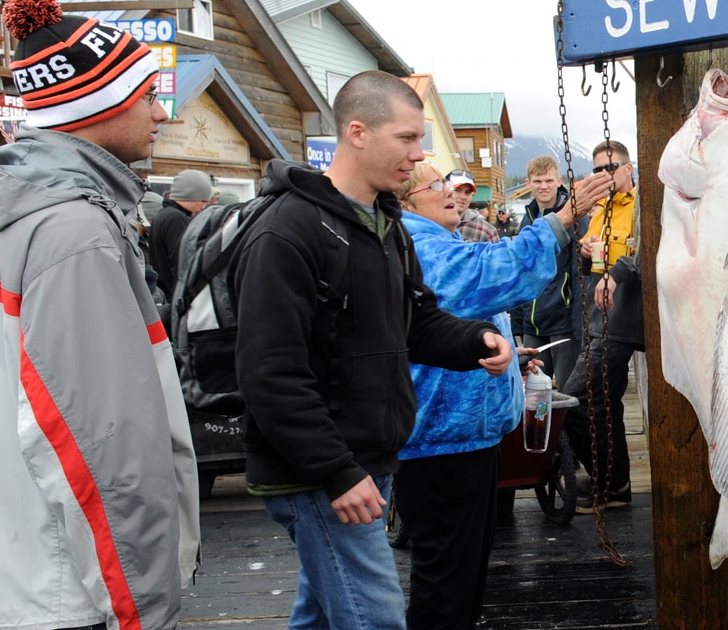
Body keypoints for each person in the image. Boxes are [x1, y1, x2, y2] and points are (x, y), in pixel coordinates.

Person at [0, 0, 200, 630]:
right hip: (75, 589)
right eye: (147, 94)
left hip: (14, 570)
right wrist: (143, 605)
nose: (160, 113)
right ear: (100, 102)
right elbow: (98, 438)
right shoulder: (71, 232)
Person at [230, 70, 513, 630]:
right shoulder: (286, 231)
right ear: (357, 132)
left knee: (320, 613)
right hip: (319, 473)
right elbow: (270, 373)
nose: (420, 154)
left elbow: (415, 321)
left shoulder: (385, 224)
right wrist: (337, 472)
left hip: (370, 458)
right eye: (407, 138)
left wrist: (473, 339)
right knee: (374, 617)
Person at [394, 161, 609, 630]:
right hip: (439, 441)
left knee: (465, 574)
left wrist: (512, 355)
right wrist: (564, 218)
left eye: (454, 186)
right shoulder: (418, 245)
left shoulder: (437, 240)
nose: (452, 194)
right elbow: (487, 274)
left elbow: (456, 323)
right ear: (407, 200)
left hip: (467, 437)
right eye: (437, 186)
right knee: (444, 582)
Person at [564, 140, 638, 514]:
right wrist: (584, 252)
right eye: (598, 169)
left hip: (626, 321)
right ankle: (614, 484)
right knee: (605, 404)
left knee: (573, 399)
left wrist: (616, 271)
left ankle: (606, 479)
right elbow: (590, 267)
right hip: (599, 321)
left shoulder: (643, 207)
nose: (605, 175)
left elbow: (647, 252)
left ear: (629, 168)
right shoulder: (598, 211)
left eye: (612, 168)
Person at [512, 155, 585, 387]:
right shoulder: (528, 218)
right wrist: (517, 321)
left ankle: (568, 425)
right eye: (537, 181)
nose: (543, 186)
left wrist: (577, 323)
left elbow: (578, 273)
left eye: (548, 181)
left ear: (558, 181)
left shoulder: (572, 216)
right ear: (528, 183)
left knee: (568, 387)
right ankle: (544, 426)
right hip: (532, 323)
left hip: (562, 322)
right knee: (533, 390)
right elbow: (520, 272)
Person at [148, 168, 214, 299]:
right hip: (174, 295)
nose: (203, 207)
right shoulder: (176, 218)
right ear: (189, 195)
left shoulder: (163, 214)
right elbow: (181, 263)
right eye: (202, 201)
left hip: (165, 294)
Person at [447, 168, 499, 242]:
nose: (463, 197)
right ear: (445, 190)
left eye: (467, 192)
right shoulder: (430, 225)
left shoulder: (487, 232)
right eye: (457, 190)